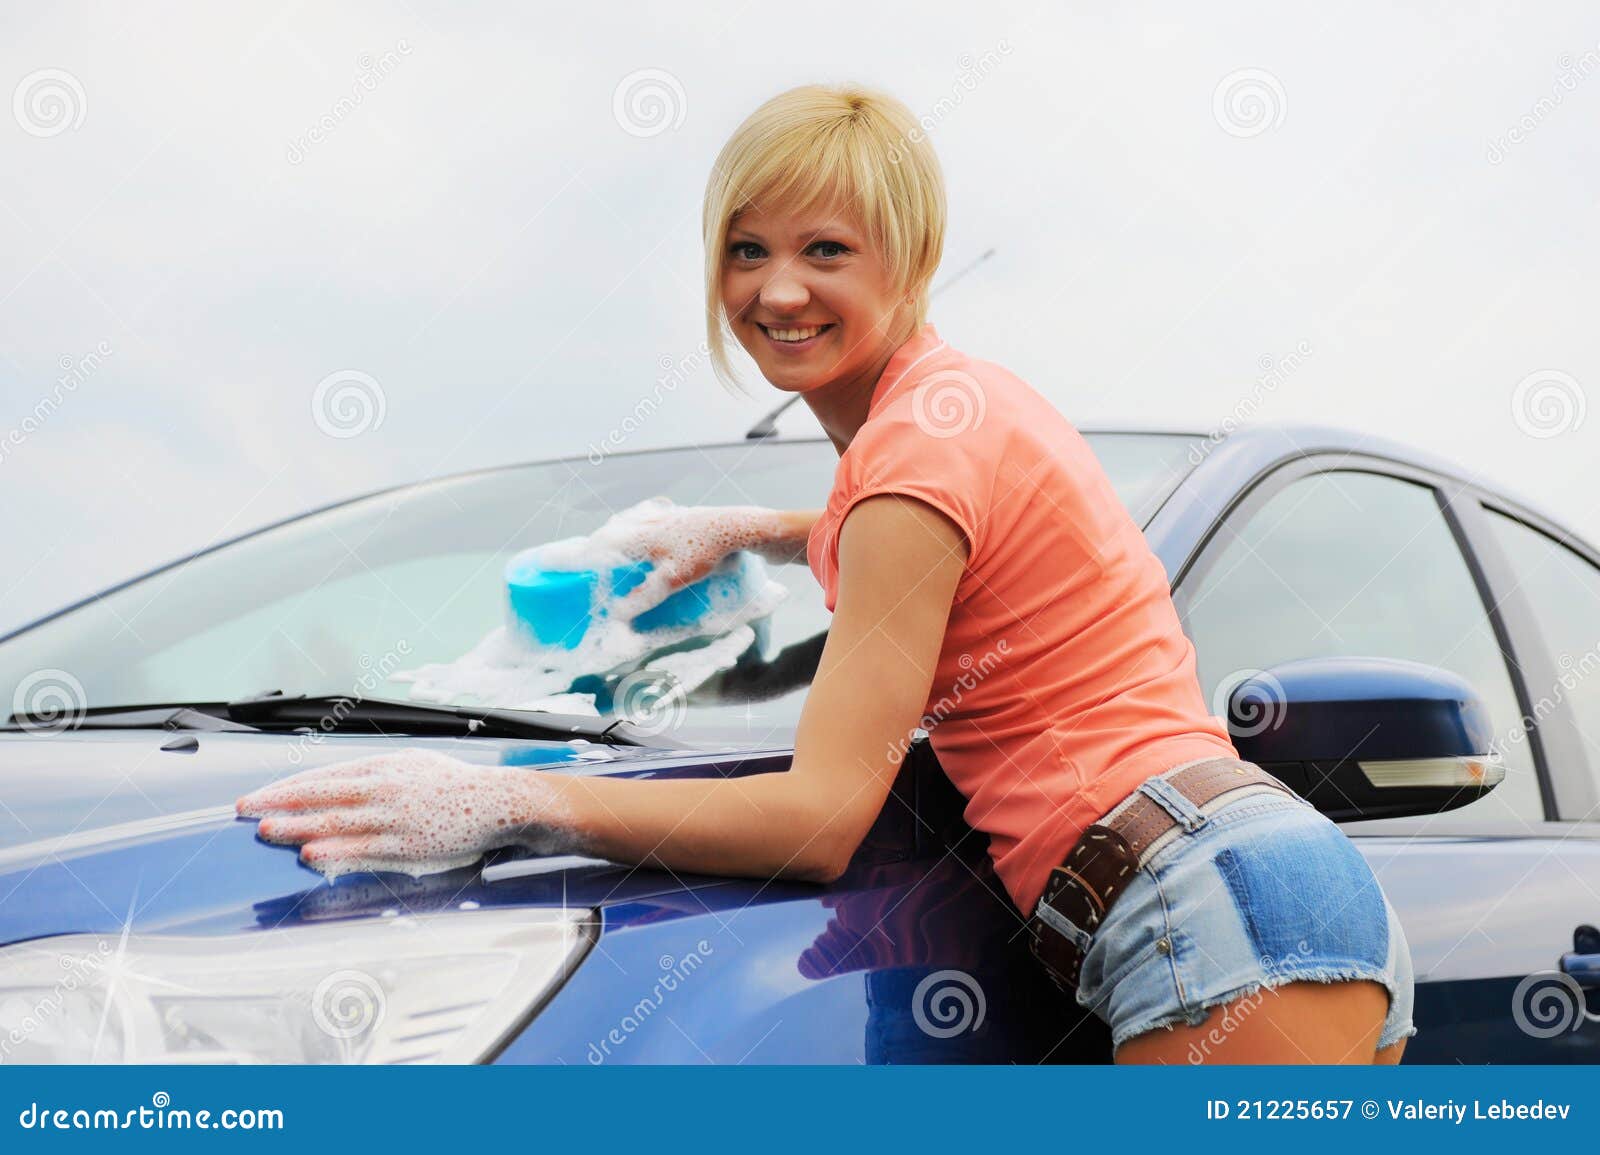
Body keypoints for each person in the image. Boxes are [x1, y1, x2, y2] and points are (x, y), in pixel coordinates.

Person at [237, 82, 1415, 1065]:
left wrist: (508, 803)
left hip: (1203, 919)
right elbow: (957, 542)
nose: (777, 290)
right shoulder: (960, 410)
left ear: (912, 259)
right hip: (1242, 891)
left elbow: (816, 823)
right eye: (746, 250)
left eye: (826, 251)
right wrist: (758, 528)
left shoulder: (911, 456)